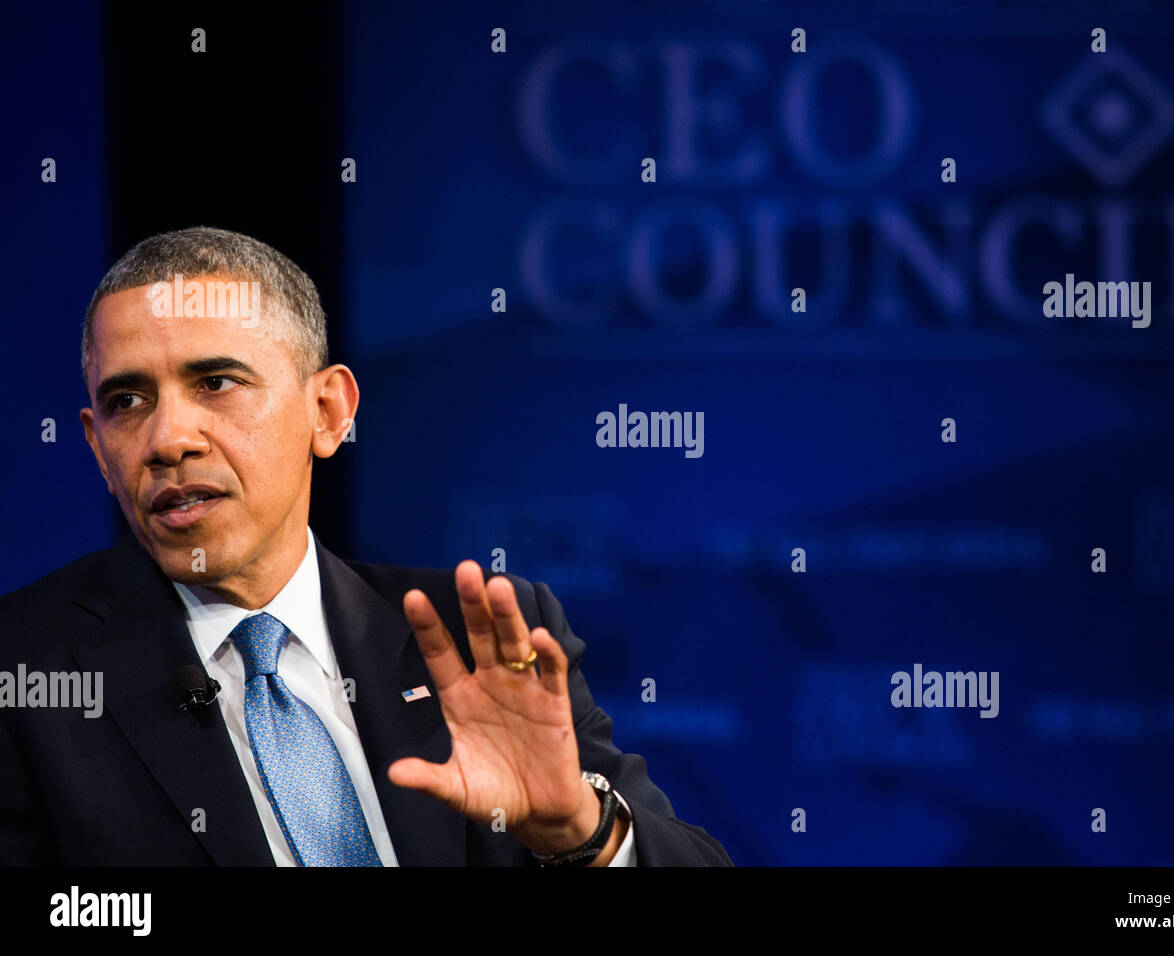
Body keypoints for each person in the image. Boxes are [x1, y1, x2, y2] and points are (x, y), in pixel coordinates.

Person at [0, 227, 731, 867]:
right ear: (98, 450)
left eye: (216, 382)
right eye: (128, 402)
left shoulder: (473, 640)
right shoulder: (28, 674)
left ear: (328, 412)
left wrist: (579, 828)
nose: (167, 440)